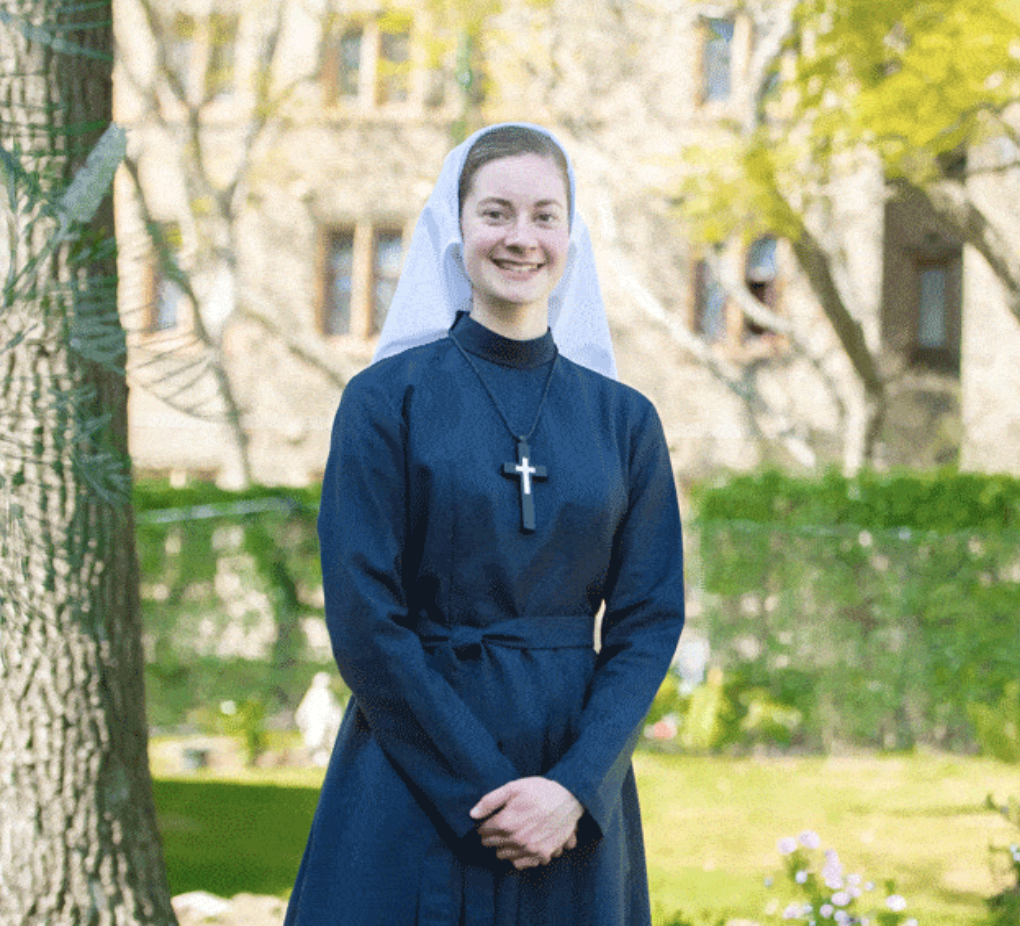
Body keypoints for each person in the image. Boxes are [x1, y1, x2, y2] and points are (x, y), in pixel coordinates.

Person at [284, 123, 685, 926]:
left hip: (570, 776)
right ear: (455, 228)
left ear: (571, 234)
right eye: (496, 213)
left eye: (544, 215)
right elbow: (366, 620)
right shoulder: (383, 402)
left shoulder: (625, 422)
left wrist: (572, 789)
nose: (520, 237)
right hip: (414, 767)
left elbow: (650, 621)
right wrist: (481, 793)